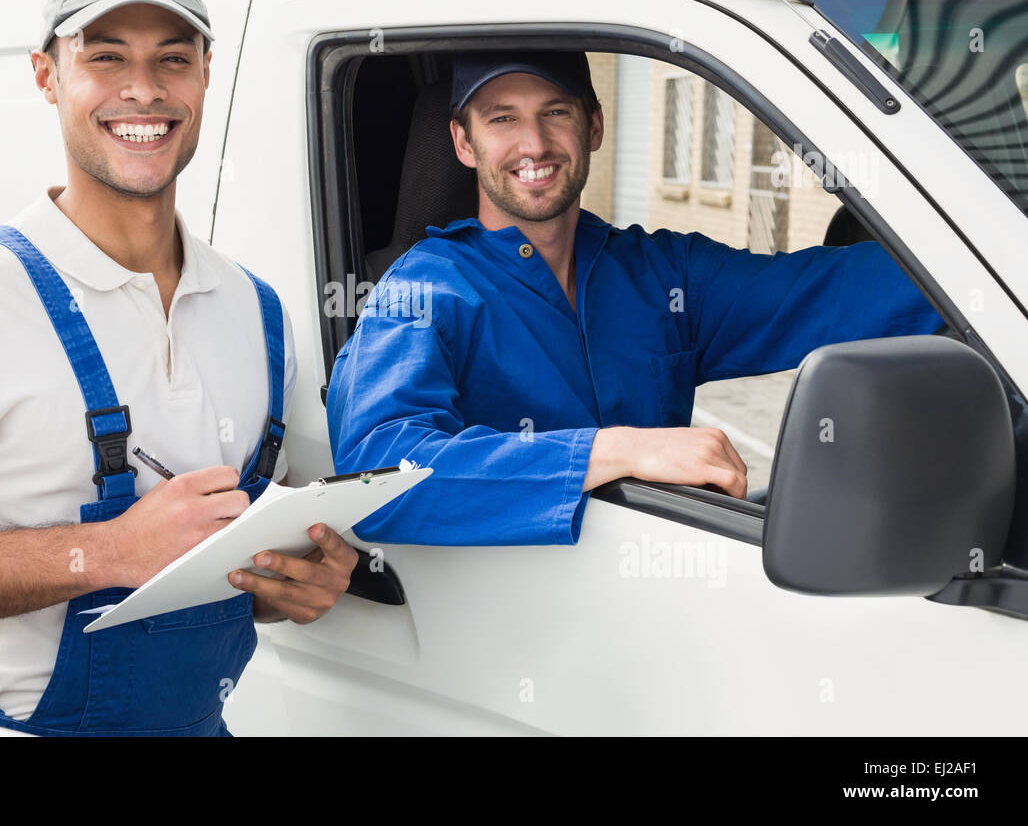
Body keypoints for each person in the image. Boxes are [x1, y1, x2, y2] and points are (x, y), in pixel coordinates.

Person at [0, 0, 356, 736]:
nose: (144, 89)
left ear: (207, 72)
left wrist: (290, 584)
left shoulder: (256, 312)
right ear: (46, 75)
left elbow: (248, 562)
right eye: (106, 58)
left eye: (173, 59)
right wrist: (108, 553)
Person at [325, 50, 946, 546]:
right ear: (463, 143)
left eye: (557, 112)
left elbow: (835, 293)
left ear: (594, 125)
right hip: (506, 647)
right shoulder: (423, 291)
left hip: (657, 629)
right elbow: (376, 477)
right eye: (502, 118)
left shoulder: (663, 274)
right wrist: (619, 447)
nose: (535, 145)